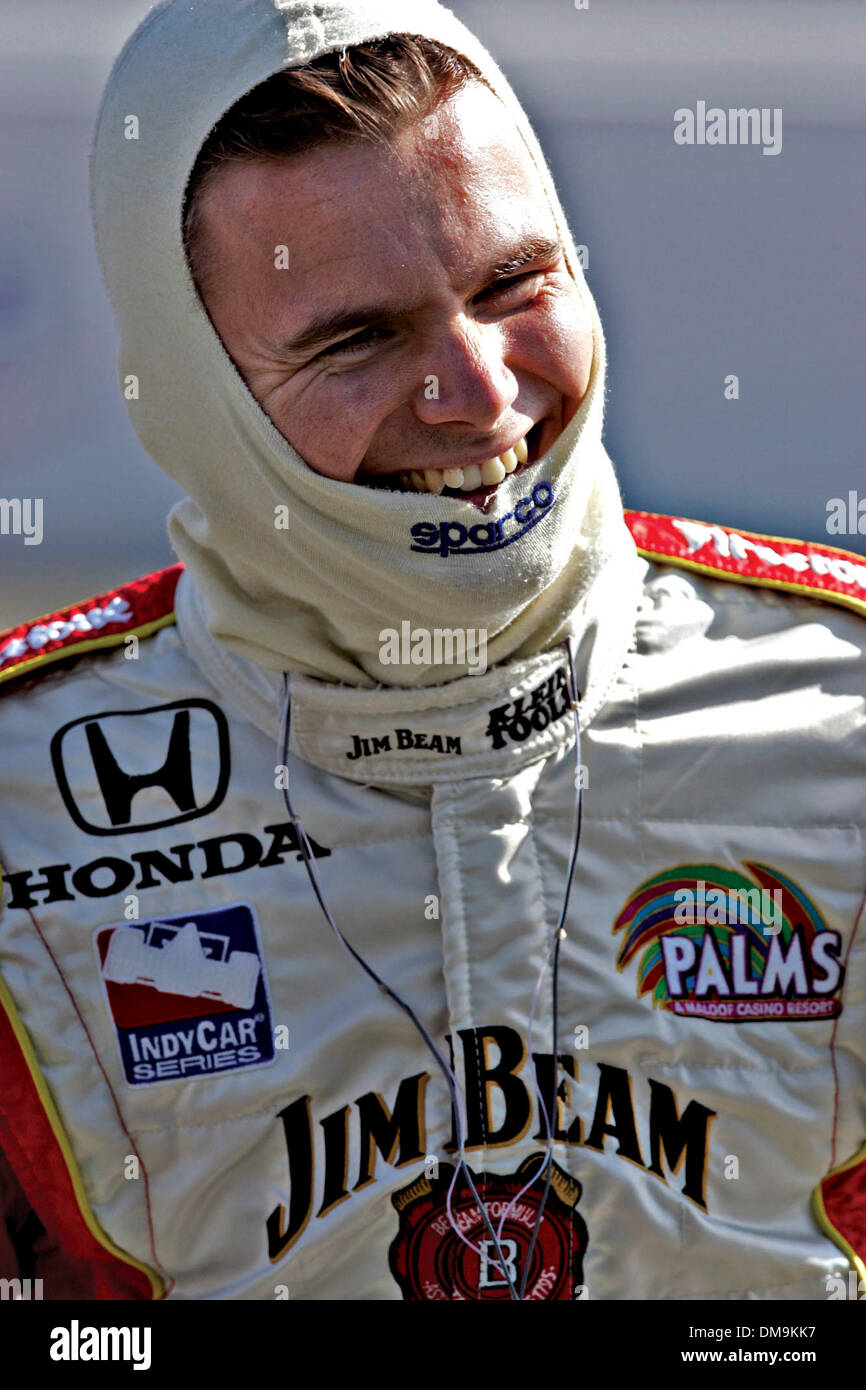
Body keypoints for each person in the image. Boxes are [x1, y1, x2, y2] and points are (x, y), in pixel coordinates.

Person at [0, 0, 864, 1303]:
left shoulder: (838, 704)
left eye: (512, 286)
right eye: (356, 338)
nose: (473, 391)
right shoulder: (24, 807)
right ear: (191, 385)